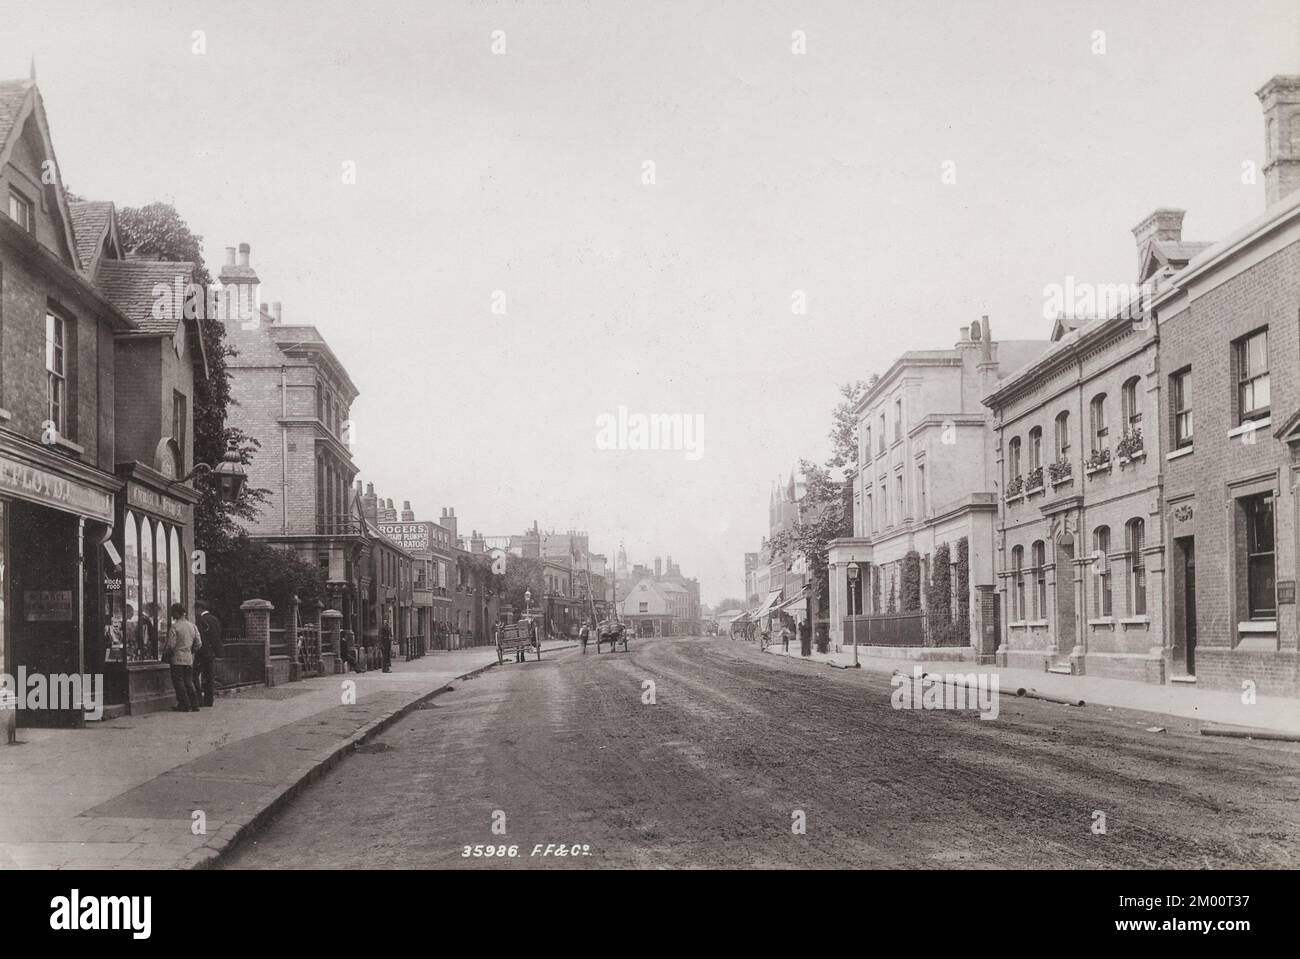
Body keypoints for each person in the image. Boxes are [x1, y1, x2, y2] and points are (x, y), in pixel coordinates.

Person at [163, 603, 202, 712]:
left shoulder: (175, 627)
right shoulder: (192, 626)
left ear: (177, 613)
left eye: (173, 612)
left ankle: (184, 704)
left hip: (177, 659)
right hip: (189, 659)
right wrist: (191, 651)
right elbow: (198, 643)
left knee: (179, 682)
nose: (172, 615)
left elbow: (171, 645)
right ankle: (195, 704)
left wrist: (166, 653)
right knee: (189, 682)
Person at [194, 601, 223, 706]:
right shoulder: (215, 619)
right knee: (209, 676)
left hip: (202, 652)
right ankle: (209, 700)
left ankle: (198, 699)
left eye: (196, 609)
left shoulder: (201, 620)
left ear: (200, 608)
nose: (195, 612)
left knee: (194, 675)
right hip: (211, 653)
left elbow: (200, 638)